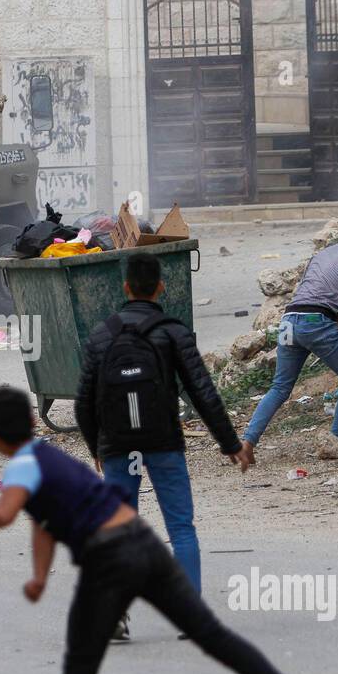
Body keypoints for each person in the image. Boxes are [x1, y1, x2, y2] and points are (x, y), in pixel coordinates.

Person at [0, 385, 334, 674]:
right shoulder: (51, 458)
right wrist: (38, 577)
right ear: (33, 423)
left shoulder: (21, 467)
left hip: (107, 559)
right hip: (143, 543)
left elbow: (4, 513)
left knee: (79, 671)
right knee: (213, 636)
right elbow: (43, 520)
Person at [75, 252, 250, 640]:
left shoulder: (102, 335)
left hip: (118, 447)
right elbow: (202, 391)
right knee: (181, 526)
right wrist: (230, 443)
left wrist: (95, 448)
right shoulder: (173, 332)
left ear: (124, 288)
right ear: (160, 287)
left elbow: (83, 401)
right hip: (163, 443)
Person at [241, 211, 338, 460]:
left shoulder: (323, 254)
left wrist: (335, 318)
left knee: (279, 387)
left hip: (289, 321)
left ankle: (247, 444)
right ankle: (337, 440)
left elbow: (314, 289)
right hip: (315, 323)